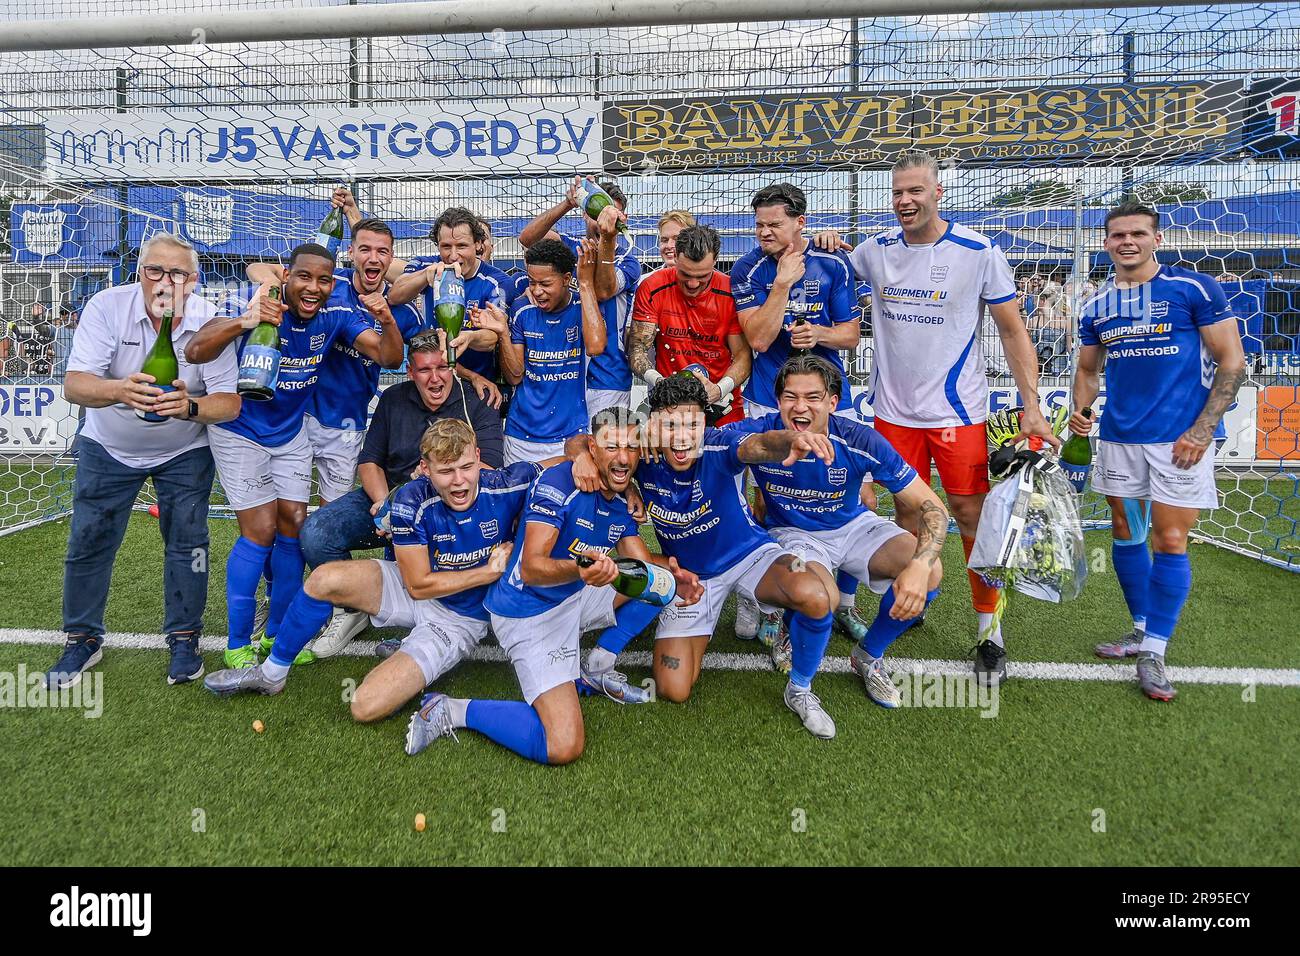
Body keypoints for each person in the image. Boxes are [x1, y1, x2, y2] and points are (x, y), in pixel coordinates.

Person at [815, 150, 1057, 685]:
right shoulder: (874, 252)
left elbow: (1014, 332)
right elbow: (825, 271)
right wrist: (827, 241)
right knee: (907, 518)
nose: (905, 201)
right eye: (897, 192)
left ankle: (989, 630)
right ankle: (916, 593)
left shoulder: (978, 252)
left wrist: (1032, 406)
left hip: (957, 415)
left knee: (970, 519)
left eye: (915, 191)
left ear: (937, 193)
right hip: (893, 415)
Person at [403, 408, 703, 765]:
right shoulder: (558, 485)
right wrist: (582, 570)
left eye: (631, 448)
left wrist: (675, 574)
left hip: (576, 592)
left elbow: (637, 562)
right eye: (612, 447)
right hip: (529, 611)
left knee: (660, 586)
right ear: (592, 448)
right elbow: (532, 568)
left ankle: (597, 666)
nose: (623, 458)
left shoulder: (623, 494)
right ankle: (451, 710)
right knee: (563, 745)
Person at [202, 420, 540, 711]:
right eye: (445, 471)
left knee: (364, 705)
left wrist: (581, 454)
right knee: (323, 579)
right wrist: (488, 571)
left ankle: (413, 650)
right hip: (419, 589)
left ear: (479, 459)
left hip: (458, 621)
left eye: (466, 468)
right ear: (425, 468)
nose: (459, 481)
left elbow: (561, 474)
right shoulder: (411, 499)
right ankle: (271, 674)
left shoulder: (512, 483)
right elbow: (417, 585)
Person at [184, 243, 405, 672]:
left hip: (289, 435)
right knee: (261, 530)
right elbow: (196, 350)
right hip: (240, 433)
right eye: (304, 277)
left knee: (294, 528)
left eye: (324, 280)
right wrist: (245, 322)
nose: (314, 287)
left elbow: (389, 356)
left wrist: (387, 320)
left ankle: (277, 629)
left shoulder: (335, 317)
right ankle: (236, 640)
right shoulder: (256, 306)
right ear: (286, 275)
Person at [44, 233, 241, 689]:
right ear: (140, 274)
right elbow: (74, 385)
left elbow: (229, 403)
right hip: (107, 445)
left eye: (177, 273)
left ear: (193, 281)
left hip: (184, 448)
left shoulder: (208, 320)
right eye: (155, 270)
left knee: (189, 542)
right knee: (90, 540)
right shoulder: (106, 307)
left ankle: (185, 639)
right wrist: (120, 390)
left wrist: (189, 407)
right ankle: (82, 639)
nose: (165, 282)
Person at [1070, 201, 1246, 701]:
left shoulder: (1192, 289)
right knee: (1126, 532)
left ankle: (1156, 650)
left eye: (1138, 234)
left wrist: (1202, 430)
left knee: (1169, 540)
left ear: (1156, 239)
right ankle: (1141, 628)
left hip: (1178, 441)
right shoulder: (1098, 305)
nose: (1127, 242)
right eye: (1118, 235)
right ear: (1106, 243)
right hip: (1121, 438)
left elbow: (1231, 361)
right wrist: (1082, 412)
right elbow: (1087, 370)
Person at [629, 374, 868, 737]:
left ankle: (800, 690)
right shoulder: (639, 454)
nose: (681, 437)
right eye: (671, 424)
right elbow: (582, 446)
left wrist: (790, 440)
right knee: (673, 689)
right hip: (693, 579)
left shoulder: (718, 444)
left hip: (749, 557)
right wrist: (619, 477)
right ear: (654, 424)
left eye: (692, 424)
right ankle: (704, 624)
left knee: (816, 596)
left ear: (705, 423)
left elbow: (756, 445)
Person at [730, 356, 949, 706]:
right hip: (792, 533)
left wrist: (920, 567)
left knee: (932, 570)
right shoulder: (759, 434)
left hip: (852, 526)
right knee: (822, 596)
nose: (800, 407)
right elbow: (697, 444)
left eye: (813, 397)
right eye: (790, 397)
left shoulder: (861, 439)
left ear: (833, 403)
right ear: (778, 401)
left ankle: (868, 656)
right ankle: (797, 670)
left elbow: (932, 506)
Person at [298, 329, 505, 657]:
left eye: (441, 368)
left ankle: (435, 623)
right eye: (424, 370)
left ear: (453, 367)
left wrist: (427, 489)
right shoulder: (394, 399)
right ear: (410, 371)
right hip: (391, 496)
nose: (434, 378)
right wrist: (384, 505)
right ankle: (351, 611)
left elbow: (491, 471)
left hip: (448, 506)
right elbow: (369, 461)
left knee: (424, 546)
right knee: (316, 533)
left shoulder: (475, 401)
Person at [730, 182, 865, 645]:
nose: (764, 232)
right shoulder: (748, 268)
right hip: (770, 401)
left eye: (774, 224)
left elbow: (851, 334)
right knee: (766, 502)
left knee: (854, 497)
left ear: (800, 223)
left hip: (830, 401)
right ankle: (764, 598)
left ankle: (844, 601)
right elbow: (761, 340)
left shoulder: (833, 264)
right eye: (759, 224)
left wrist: (820, 335)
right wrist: (783, 281)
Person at [248, 215, 427, 507]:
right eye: (365, 249)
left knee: (330, 512)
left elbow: (401, 358)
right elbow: (258, 267)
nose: (373, 257)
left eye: (382, 252)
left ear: (391, 258)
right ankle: (279, 550)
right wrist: (269, 285)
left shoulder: (403, 311)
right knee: (287, 507)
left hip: (347, 421)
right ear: (350, 253)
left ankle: (323, 553)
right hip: (301, 414)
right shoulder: (328, 283)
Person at [472, 238, 607, 465]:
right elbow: (515, 376)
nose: (537, 291)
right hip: (520, 436)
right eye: (532, 282)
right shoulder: (522, 309)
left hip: (569, 436)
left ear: (566, 279)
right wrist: (503, 332)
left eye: (545, 284)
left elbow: (596, 347)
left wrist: (585, 284)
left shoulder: (582, 307)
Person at [519, 176, 641, 419]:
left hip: (607, 377)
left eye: (614, 214)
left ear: (623, 217)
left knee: (607, 451)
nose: (605, 221)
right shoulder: (570, 248)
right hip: (565, 372)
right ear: (586, 214)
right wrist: (568, 203)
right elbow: (527, 240)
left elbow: (603, 290)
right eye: (599, 213)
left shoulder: (628, 260)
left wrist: (608, 239)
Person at [389, 206, 514, 411]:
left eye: (462, 246)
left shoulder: (497, 282)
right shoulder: (425, 264)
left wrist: (470, 337)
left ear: (478, 245)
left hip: (478, 388)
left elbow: (493, 338)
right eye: (446, 246)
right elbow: (395, 295)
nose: (453, 255)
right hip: (432, 383)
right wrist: (425, 276)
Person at [626, 223, 750, 425]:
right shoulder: (652, 286)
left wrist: (719, 390)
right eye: (685, 274)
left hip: (723, 407)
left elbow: (743, 356)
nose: (693, 284)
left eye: (702, 276)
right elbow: (637, 350)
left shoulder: (729, 291)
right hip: (670, 408)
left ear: (715, 261)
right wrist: (662, 384)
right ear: (675, 258)